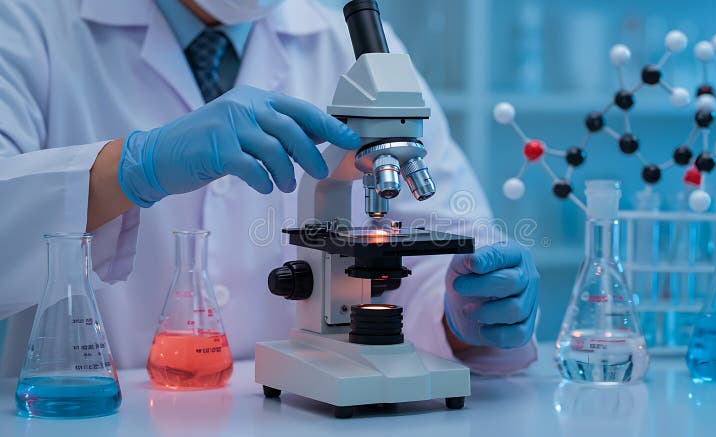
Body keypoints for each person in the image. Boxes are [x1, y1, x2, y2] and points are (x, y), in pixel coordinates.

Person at [0, 0, 538, 376]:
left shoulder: (353, 48)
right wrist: (131, 168)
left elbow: (436, 246)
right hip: (94, 415)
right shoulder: (28, 25)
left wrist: (468, 313)